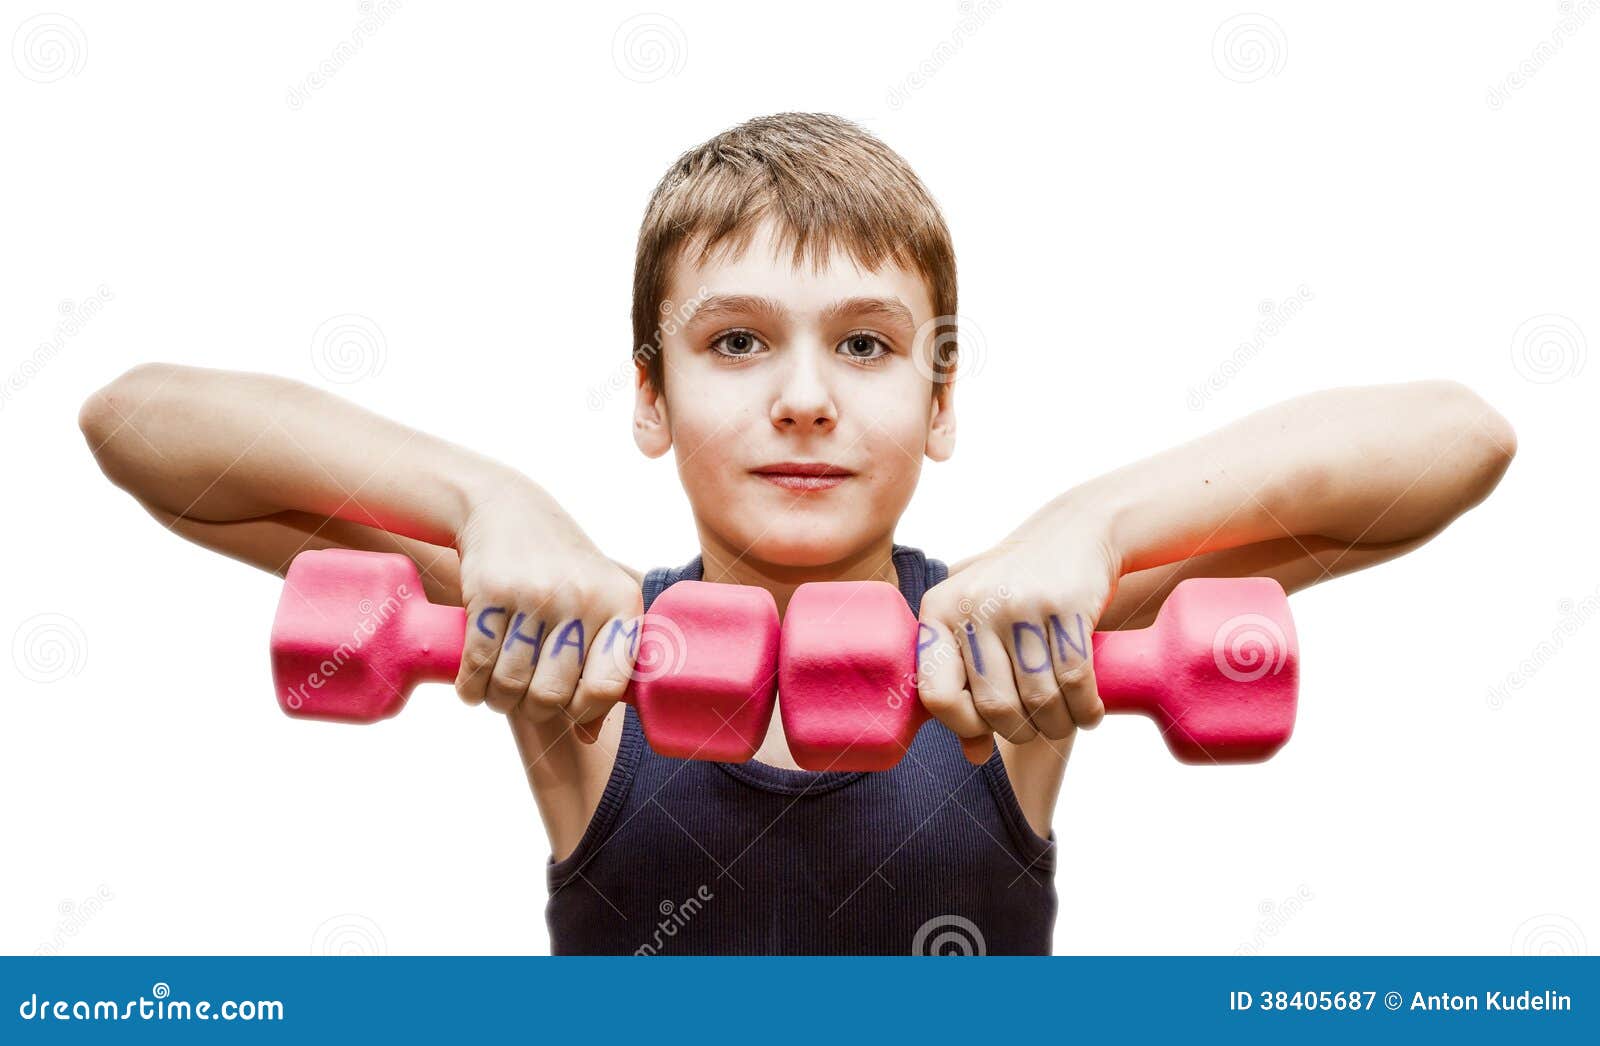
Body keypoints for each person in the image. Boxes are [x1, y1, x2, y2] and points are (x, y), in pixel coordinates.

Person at [77, 112, 1516, 954]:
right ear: (650, 393)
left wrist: (1097, 525)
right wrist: (482, 503)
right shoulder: (572, 652)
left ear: (942, 400)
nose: (807, 399)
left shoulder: (1015, 651)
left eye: (870, 347)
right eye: (740, 341)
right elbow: (140, 422)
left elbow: (1456, 443)